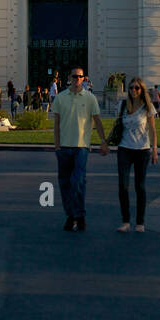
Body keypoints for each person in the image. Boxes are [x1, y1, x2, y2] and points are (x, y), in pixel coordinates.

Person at [52, 67, 107, 232]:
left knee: (78, 182)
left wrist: (103, 141)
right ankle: (71, 216)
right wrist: (56, 146)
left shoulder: (90, 98)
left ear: (84, 79)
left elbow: (97, 120)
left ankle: (80, 215)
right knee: (65, 184)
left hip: (82, 147)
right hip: (64, 147)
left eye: (80, 76)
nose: (77, 79)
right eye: (74, 76)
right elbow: (56, 124)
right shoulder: (60, 98)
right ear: (69, 78)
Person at [115, 77, 159, 232]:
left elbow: (153, 129)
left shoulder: (148, 107)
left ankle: (140, 222)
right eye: (131, 88)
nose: (133, 90)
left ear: (142, 90)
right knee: (123, 186)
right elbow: (117, 125)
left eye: (137, 88)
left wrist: (154, 149)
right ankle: (125, 221)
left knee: (140, 187)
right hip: (124, 149)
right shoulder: (122, 105)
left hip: (142, 150)